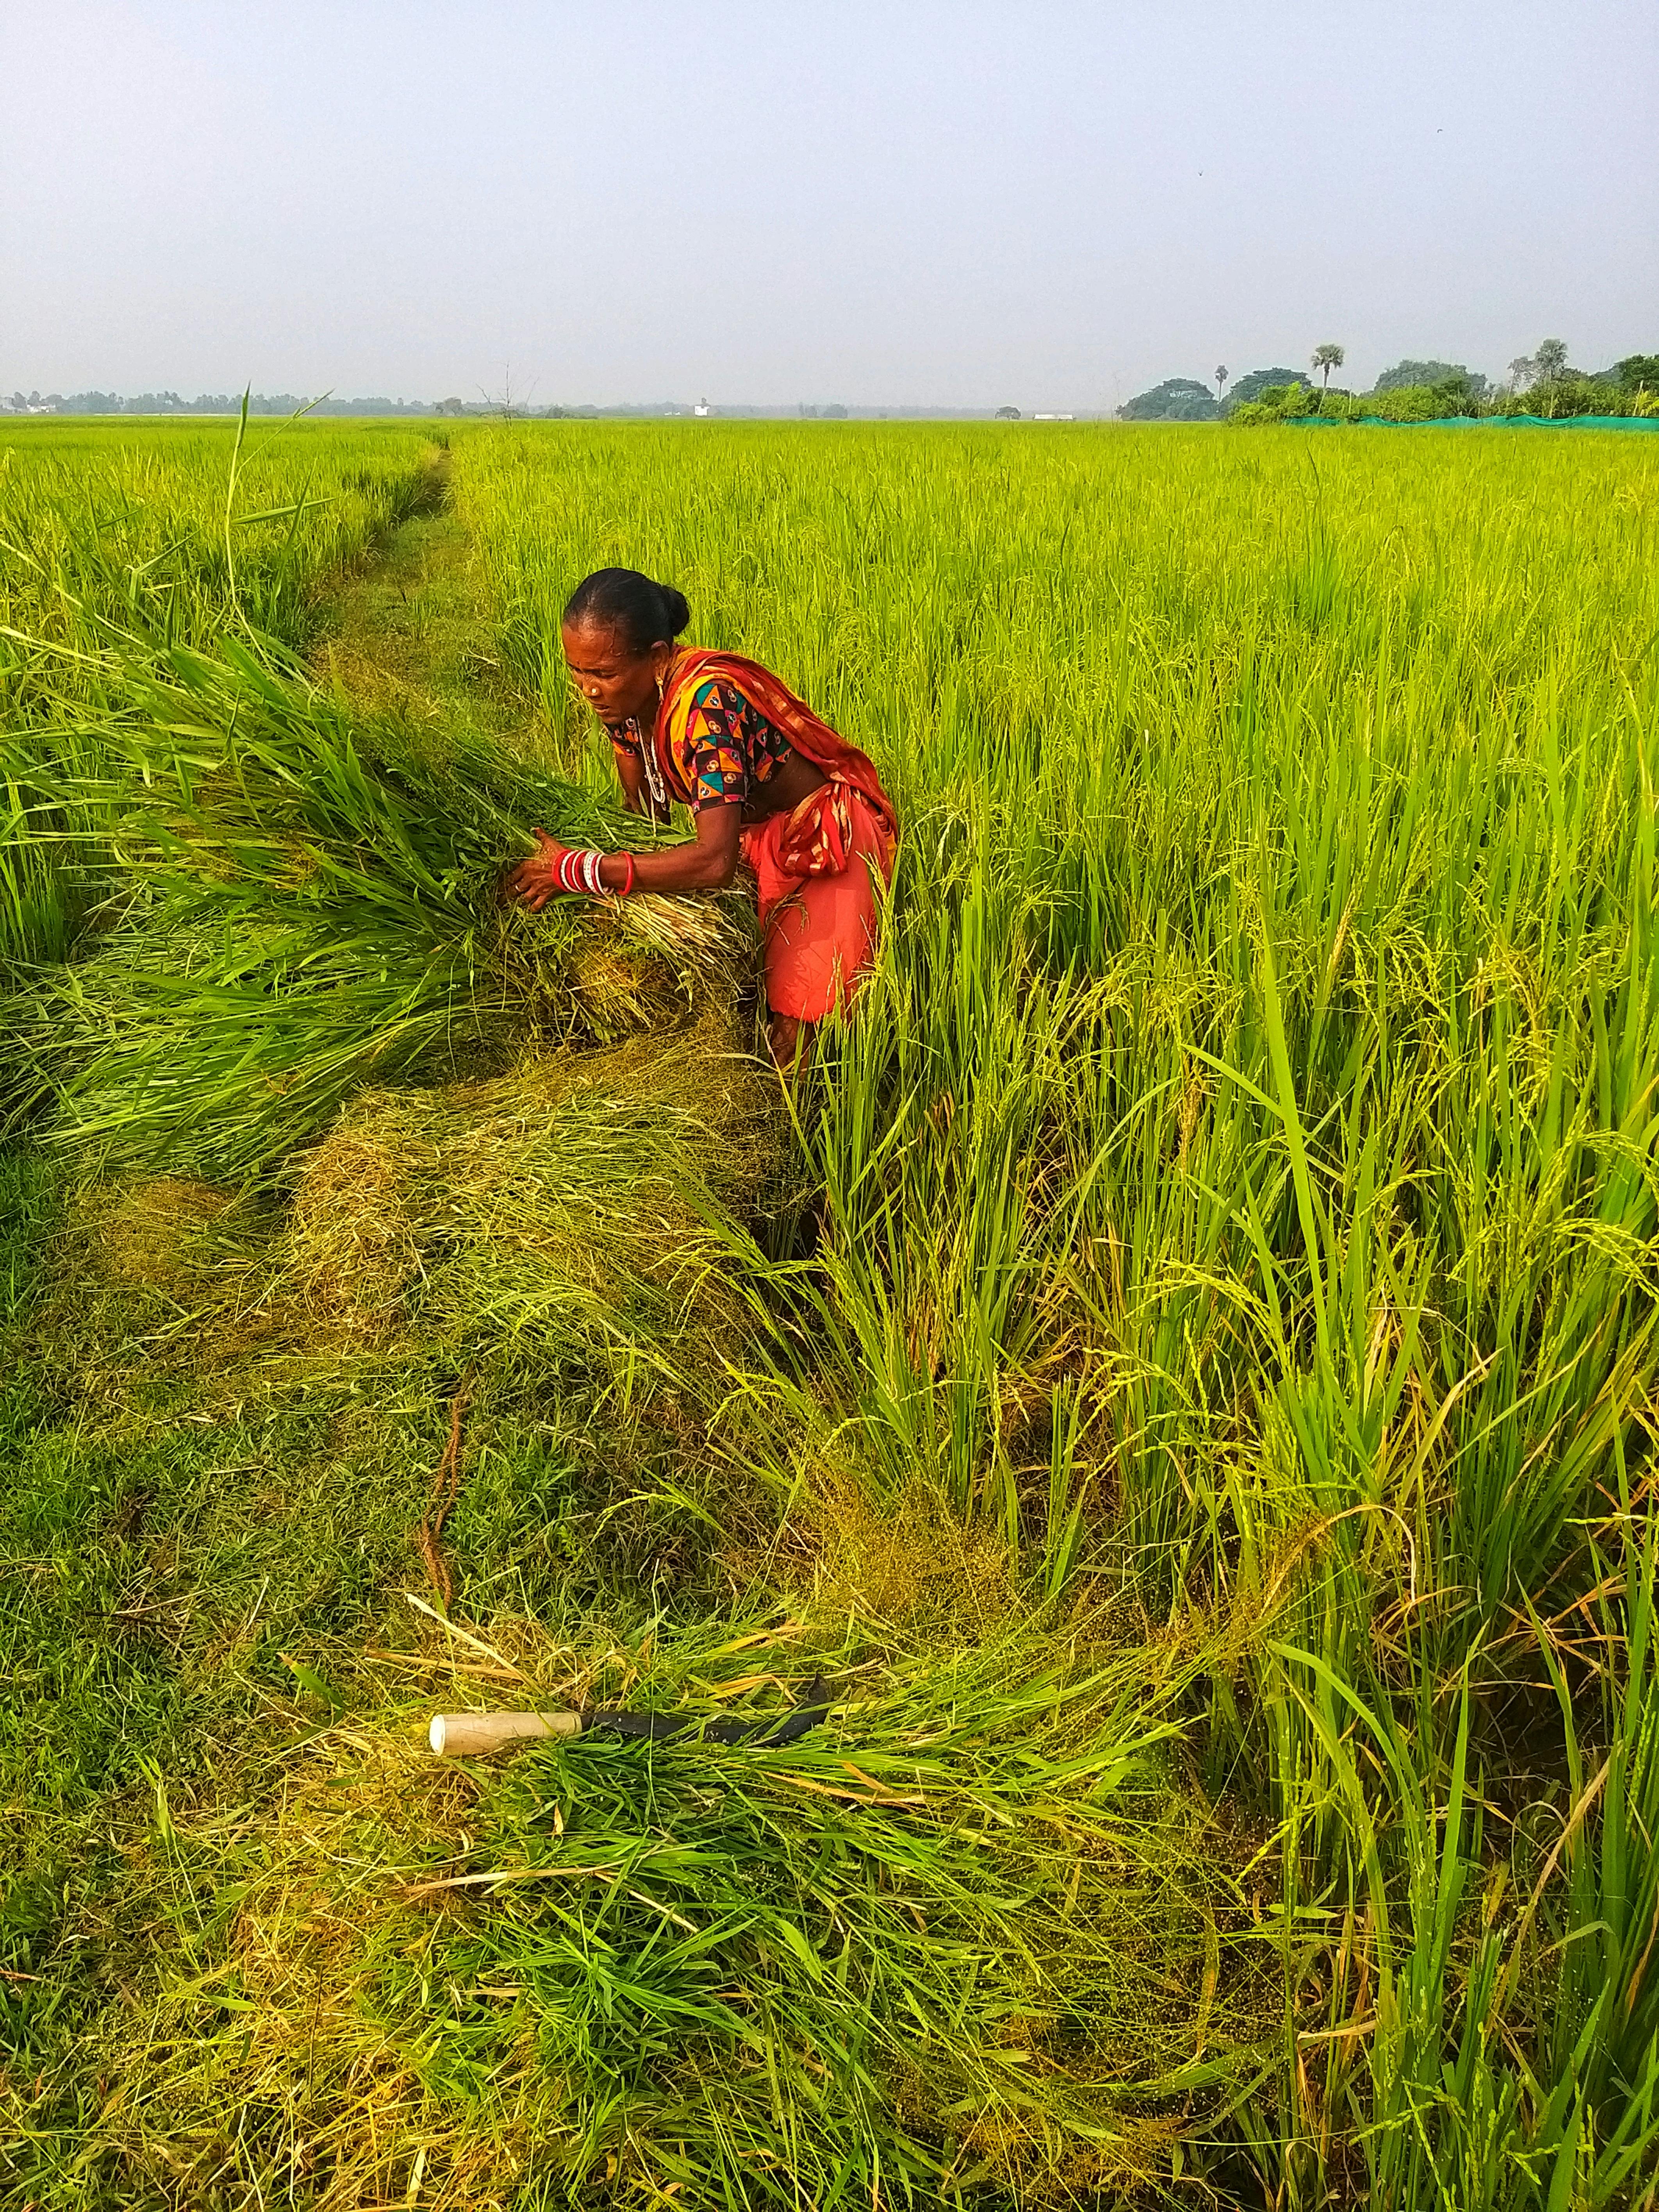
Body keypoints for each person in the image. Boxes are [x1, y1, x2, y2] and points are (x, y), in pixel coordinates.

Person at [506, 568, 897, 1069]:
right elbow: (644, 817)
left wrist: (579, 872)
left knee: (794, 1031)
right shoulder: (629, 707)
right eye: (577, 672)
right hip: (757, 839)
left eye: (604, 674)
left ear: (659, 658)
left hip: (823, 844)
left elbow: (715, 861)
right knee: (747, 993)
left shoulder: (705, 708)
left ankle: (815, 1132)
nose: (589, 690)